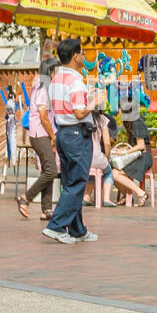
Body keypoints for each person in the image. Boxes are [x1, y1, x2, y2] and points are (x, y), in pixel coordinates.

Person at [43, 38, 97, 244]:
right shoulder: (75, 81)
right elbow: (79, 111)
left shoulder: (56, 79)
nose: (83, 57)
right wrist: (94, 102)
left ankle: (77, 229)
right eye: (82, 53)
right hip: (76, 134)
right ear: (76, 56)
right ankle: (56, 226)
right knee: (77, 182)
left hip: (63, 133)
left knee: (70, 182)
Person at [17, 56, 60, 221]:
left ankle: (47, 209)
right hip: (40, 134)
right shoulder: (43, 90)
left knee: (48, 169)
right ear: (50, 71)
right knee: (51, 171)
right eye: (56, 71)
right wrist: (53, 136)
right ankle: (26, 198)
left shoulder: (45, 88)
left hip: (42, 134)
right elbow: (43, 116)